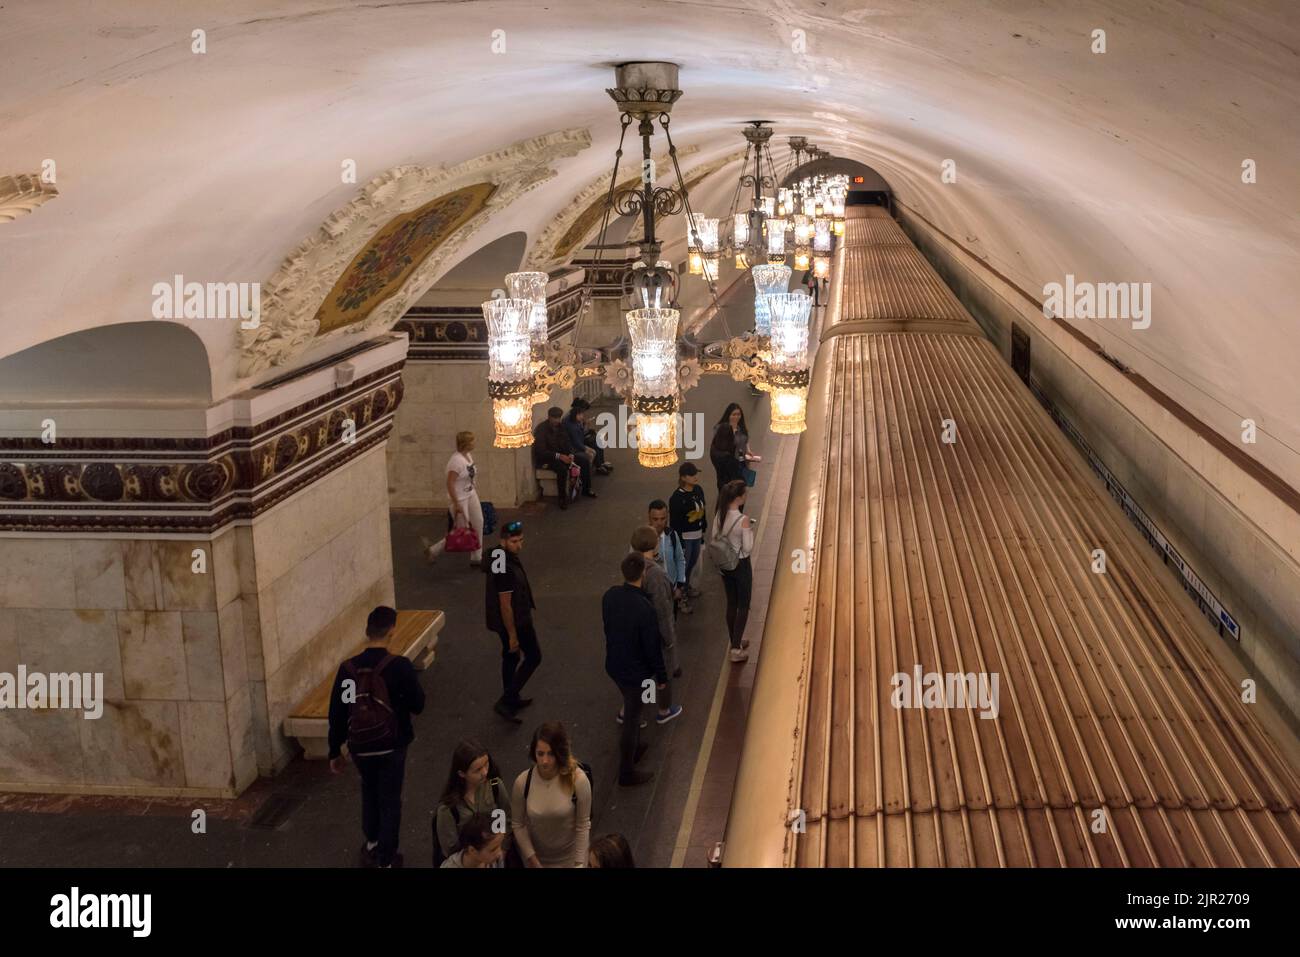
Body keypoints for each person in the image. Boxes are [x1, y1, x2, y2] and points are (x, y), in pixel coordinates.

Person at [327, 605, 427, 869]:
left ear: (367, 632)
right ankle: (386, 859)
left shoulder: (348, 670)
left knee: (369, 792)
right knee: (390, 800)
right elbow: (418, 704)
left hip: (360, 746)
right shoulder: (400, 667)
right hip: (392, 744)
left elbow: (339, 711)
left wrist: (334, 750)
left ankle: (371, 844)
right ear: (392, 630)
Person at [602, 552, 666, 787]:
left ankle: (637, 745)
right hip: (636, 672)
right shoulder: (645, 608)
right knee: (632, 717)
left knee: (633, 709)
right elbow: (652, 648)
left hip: (614, 665)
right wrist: (661, 676)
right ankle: (627, 771)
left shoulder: (610, 596)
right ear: (644, 573)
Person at [511, 722, 592, 867]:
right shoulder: (523, 783)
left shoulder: (578, 781)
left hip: (571, 859)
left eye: (551, 754)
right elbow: (518, 824)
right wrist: (532, 859)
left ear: (559, 753)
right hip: (538, 861)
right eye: (540, 754)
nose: (544, 761)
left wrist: (579, 863)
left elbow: (583, 825)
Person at [485, 520, 541, 723]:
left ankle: (512, 697)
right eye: (515, 541)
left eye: (521, 540)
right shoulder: (505, 569)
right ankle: (507, 699)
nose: (519, 545)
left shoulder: (501, 555)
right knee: (534, 656)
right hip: (516, 621)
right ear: (503, 541)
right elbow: (505, 605)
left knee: (511, 658)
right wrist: (512, 635)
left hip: (509, 619)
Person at [631, 525, 685, 725]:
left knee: (645, 673)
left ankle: (644, 708)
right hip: (657, 635)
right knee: (664, 673)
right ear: (655, 546)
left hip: (640, 634)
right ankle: (663, 710)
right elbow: (663, 611)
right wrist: (669, 639)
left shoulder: (634, 566)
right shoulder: (656, 574)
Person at [434, 740, 512, 867]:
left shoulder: (495, 786)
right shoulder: (448, 809)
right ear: (461, 774)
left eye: (486, 765)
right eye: (477, 770)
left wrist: (501, 848)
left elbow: (506, 816)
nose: (485, 772)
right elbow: (450, 848)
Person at [422, 430, 484, 565]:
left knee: (478, 521)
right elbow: (450, 483)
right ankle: (434, 550)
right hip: (460, 498)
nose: (474, 443)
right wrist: (456, 504)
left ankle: (477, 556)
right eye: (472, 441)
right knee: (461, 530)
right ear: (466, 443)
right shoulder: (456, 461)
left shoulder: (468, 456)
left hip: (471, 494)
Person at [712, 479, 755, 663]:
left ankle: (734, 640)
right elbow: (747, 548)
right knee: (743, 605)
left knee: (731, 603)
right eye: (744, 493)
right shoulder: (742, 520)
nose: (746, 496)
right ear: (738, 498)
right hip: (741, 565)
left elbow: (714, 537)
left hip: (725, 566)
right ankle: (736, 650)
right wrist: (749, 530)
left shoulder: (719, 515)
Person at [533, 406, 592, 507]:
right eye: (554, 418)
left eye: (558, 418)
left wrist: (571, 453)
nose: (557, 420)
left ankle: (586, 489)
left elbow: (567, 442)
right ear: (549, 417)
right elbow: (541, 451)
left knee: (584, 460)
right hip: (548, 458)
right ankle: (562, 498)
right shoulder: (542, 429)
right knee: (562, 469)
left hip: (563, 455)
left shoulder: (561, 427)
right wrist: (559, 456)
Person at [668, 463, 707, 603]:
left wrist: (703, 530)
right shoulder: (677, 498)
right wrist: (679, 543)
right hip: (686, 538)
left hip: (697, 535)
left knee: (692, 564)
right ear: (683, 478)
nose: (696, 477)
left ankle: (687, 587)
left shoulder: (698, 490)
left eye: (696, 473)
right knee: (683, 567)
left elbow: (703, 511)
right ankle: (680, 594)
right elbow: (675, 523)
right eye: (692, 474)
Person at [647, 498, 688, 614]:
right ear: (649, 517)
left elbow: (680, 559)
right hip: (651, 593)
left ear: (667, 517)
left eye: (663, 518)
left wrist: (680, 586)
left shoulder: (672, 535)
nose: (659, 523)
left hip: (671, 591)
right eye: (655, 519)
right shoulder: (642, 539)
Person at [709, 403, 757, 491]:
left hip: (741, 461)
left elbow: (745, 440)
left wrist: (748, 451)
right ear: (728, 415)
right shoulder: (722, 428)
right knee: (728, 488)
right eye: (734, 414)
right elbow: (719, 444)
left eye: (738, 414)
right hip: (728, 462)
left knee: (741, 488)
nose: (736, 417)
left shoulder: (741, 428)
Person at [566, 397, 612, 476]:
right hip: (578, 441)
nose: (583, 414)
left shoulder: (576, 417)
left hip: (581, 437)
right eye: (582, 412)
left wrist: (588, 428)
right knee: (594, 442)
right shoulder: (571, 421)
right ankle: (598, 465)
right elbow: (578, 435)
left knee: (598, 438)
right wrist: (585, 426)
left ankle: (601, 462)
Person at [440, 814, 507, 869]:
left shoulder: (496, 860)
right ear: (472, 850)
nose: (500, 853)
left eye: (500, 845)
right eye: (493, 850)